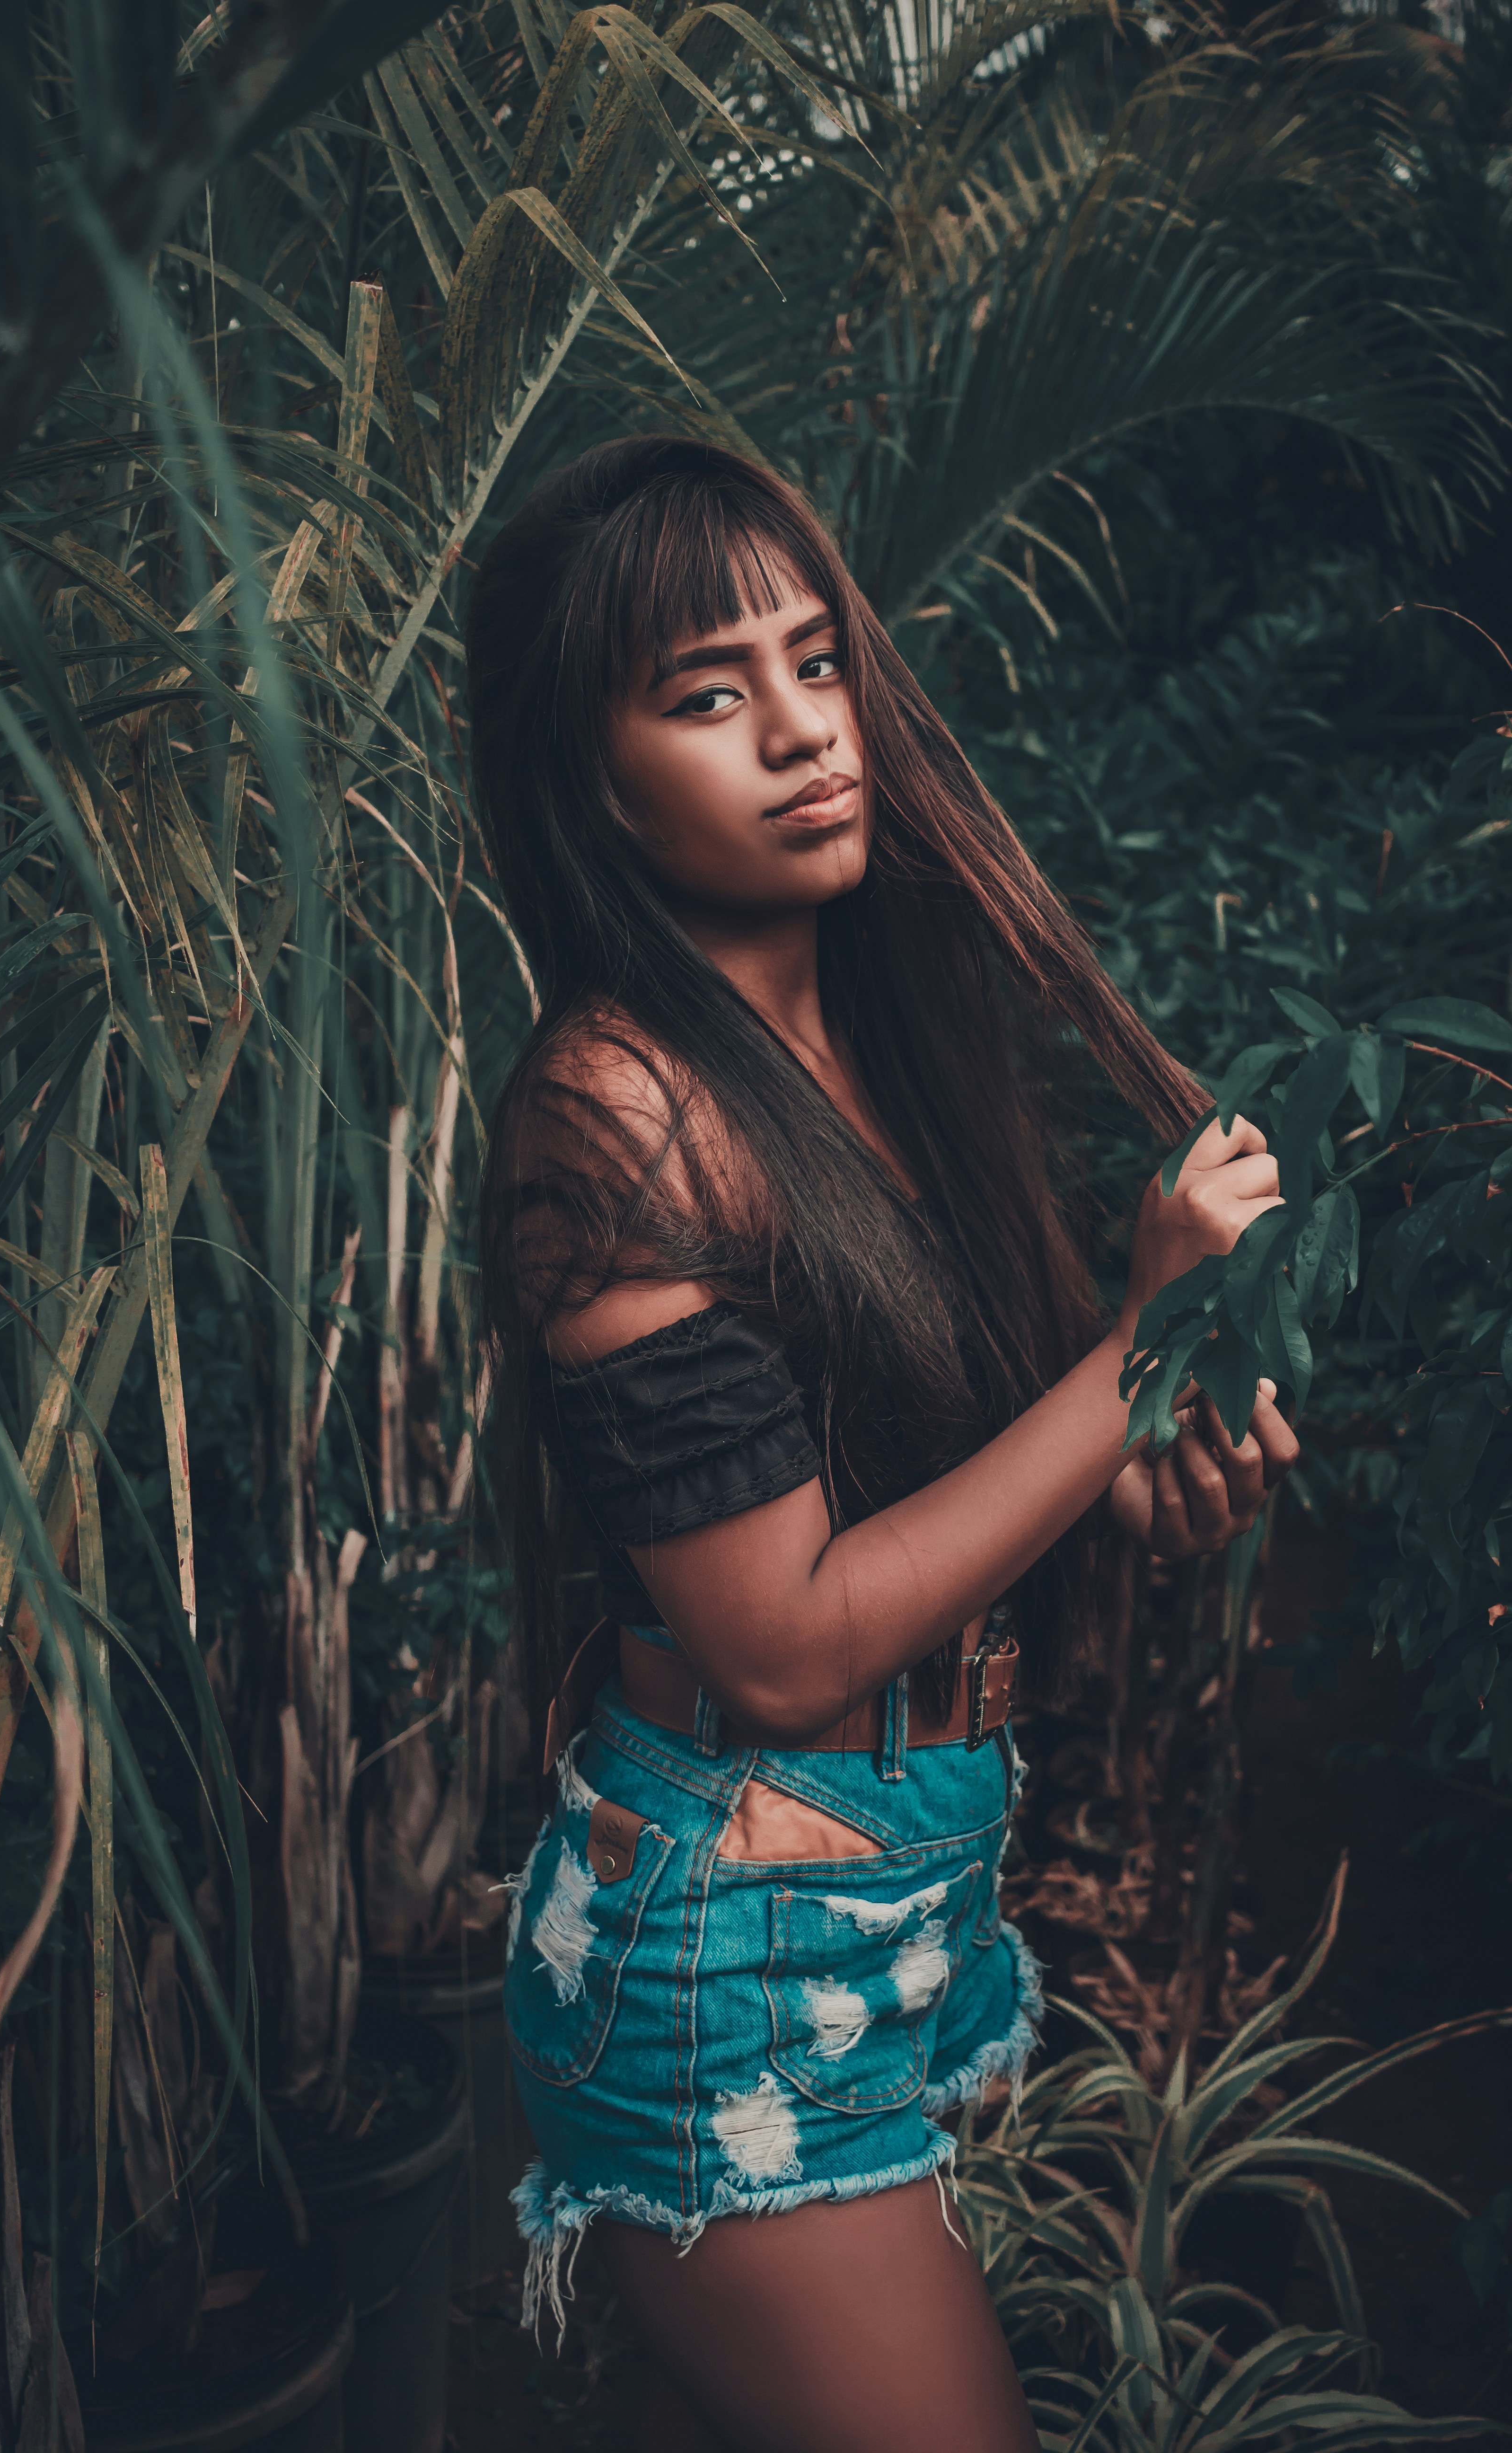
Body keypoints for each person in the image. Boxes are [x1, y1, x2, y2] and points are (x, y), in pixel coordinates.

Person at [468, 436, 1298, 2453]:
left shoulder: (868, 1029)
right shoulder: (620, 1116)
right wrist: (1137, 1347)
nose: (799, 731)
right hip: (724, 1960)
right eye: (706, 693)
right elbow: (781, 1644)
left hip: (889, 1903)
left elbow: (929, 1493)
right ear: (593, 781)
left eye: (815, 661)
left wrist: (1136, 1469)